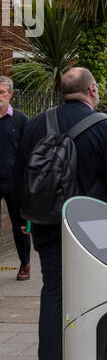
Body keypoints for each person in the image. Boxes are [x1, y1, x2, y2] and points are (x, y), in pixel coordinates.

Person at [13, 67, 107, 360]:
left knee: (54, 291)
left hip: (48, 225)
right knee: (97, 296)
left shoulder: (36, 124)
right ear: (92, 91)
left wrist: (27, 220)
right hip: (95, 230)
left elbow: (20, 177)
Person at [0, 75, 31, 280]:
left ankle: (25, 264)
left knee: (20, 226)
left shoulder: (20, 119)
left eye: (2, 92)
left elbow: (29, 151)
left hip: (14, 182)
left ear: (10, 94)